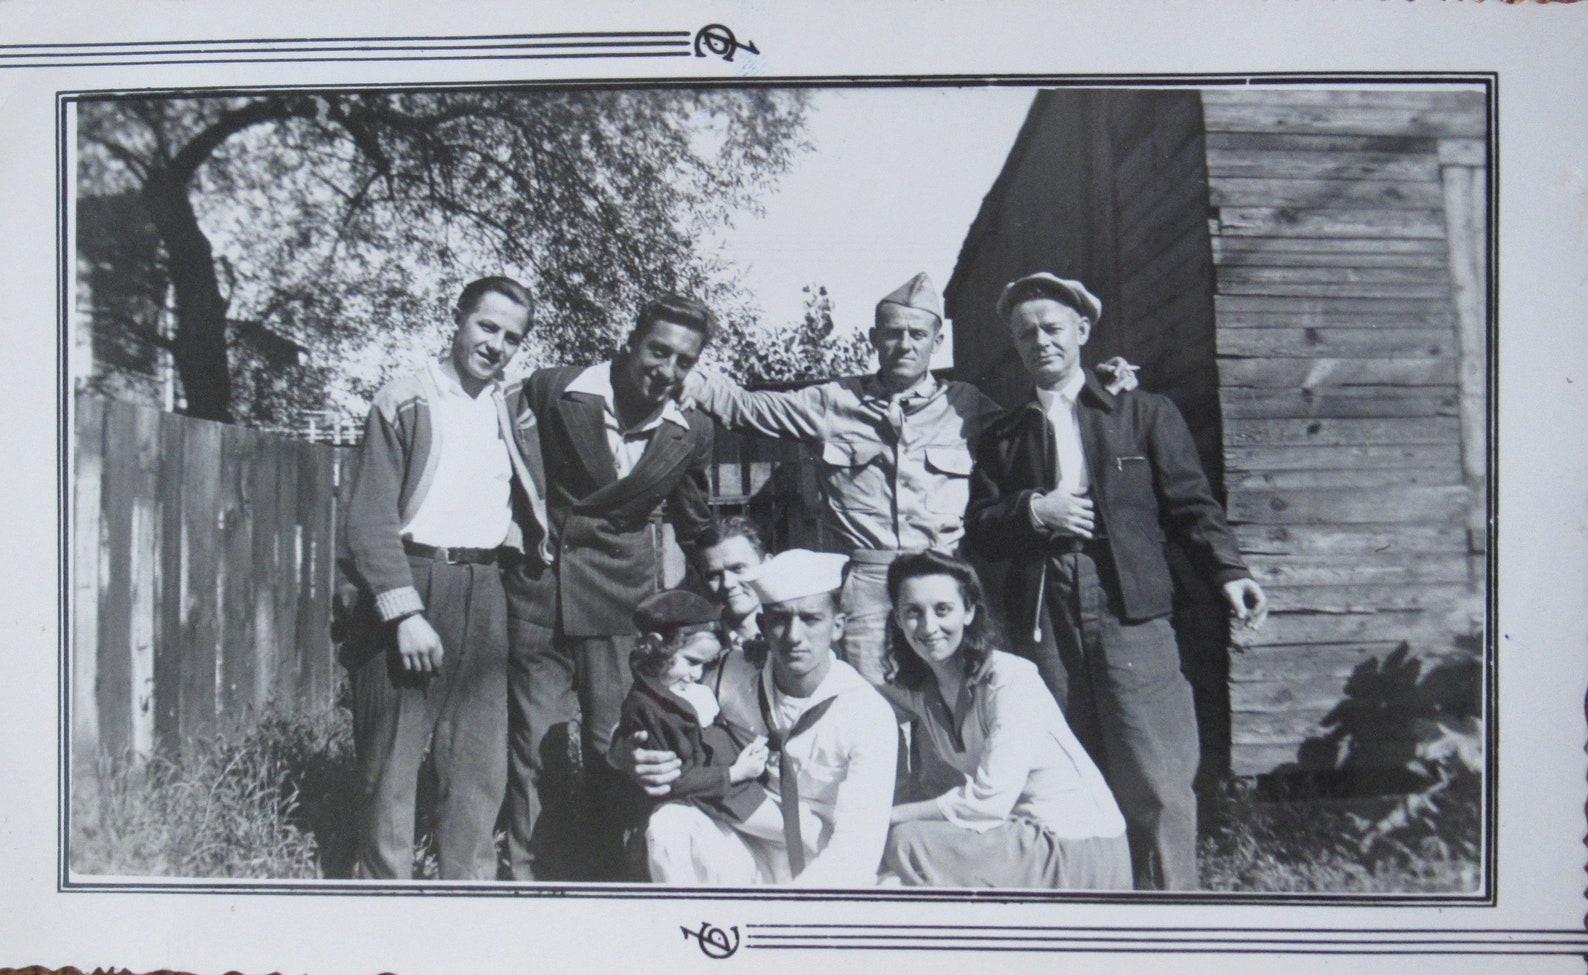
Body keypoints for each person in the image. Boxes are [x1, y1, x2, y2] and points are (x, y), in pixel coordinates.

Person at [965, 272, 1269, 891]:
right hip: (1044, 611)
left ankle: (1173, 913)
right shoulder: (1004, 435)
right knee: (1069, 759)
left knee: (1154, 767)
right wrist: (1032, 510)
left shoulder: (1142, 412)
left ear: (1081, 331)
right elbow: (979, 528)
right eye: (1026, 335)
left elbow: (1191, 505)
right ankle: (1098, 899)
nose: (1041, 342)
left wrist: (1229, 572)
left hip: (1130, 604)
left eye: (1052, 328)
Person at [684, 273, 1002, 685]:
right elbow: (746, 407)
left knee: (955, 695)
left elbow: (1033, 431)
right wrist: (685, 376)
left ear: (937, 342)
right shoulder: (833, 401)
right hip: (868, 585)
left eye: (918, 334)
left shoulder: (966, 406)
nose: (905, 344)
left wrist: (1103, 390)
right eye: (893, 333)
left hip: (941, 578)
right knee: (876, 699)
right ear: (873, 337)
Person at [502, 293, 717, 881]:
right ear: (631, 340)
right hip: (540, 592)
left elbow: (696, 520)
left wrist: (730, 588)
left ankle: (613, 877)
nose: (667, 370)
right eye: (658, 351)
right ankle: (527, 878)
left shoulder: (691, 430)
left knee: (615, 746)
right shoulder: (554, 390)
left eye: (683, 361)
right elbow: (502, 452)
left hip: (619, 602)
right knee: (533, 748)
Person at [338, 276, 547, 880]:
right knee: (392, 766)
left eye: (512, 338)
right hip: (412, 579)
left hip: (485, 589)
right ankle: (388, 909)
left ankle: (470, 904)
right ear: (457, 319)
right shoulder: (405, 400)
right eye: (487, 327)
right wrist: (402, 613)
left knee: (478, 765)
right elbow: (370, 518)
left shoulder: (512, 409)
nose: (496, 346)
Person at [627, 550, 898, 887]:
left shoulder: (867, 714)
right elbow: (656, 704)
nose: (794, 636)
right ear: (763, 625)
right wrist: (629, 754)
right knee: (670, 826)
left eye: (811, 619)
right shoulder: (730, 676)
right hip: (744, 847)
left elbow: (858, 847)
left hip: (826, 865)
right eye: (780, 619)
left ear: (838, 626)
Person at [878, 551, 1131, 889]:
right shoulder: (921, 689)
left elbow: (987, 802)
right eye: (913, 612)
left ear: (968, 612)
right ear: (897, 617)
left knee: (906, 840)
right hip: (1016, 837)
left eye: (942, 610)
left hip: (1076, 848)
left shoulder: (1010, 679)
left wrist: (887, 816)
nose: (928, 627)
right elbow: (856, 702)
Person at [615, 589, 784, 841]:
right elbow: (674, 780)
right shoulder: (647, 709)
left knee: (796, 833)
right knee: (798, 835)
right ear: (654, 645)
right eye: (692, 661)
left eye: (705, 665)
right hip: (719, 798)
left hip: (738, 787)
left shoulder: (679, 691)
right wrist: (736, 772)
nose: (696, 674)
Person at [695, 515, 768, 658]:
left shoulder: (794, 641)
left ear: (768, 566)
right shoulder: (697, 652)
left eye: (738, 569)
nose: (727, 584)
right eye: (714, 575)